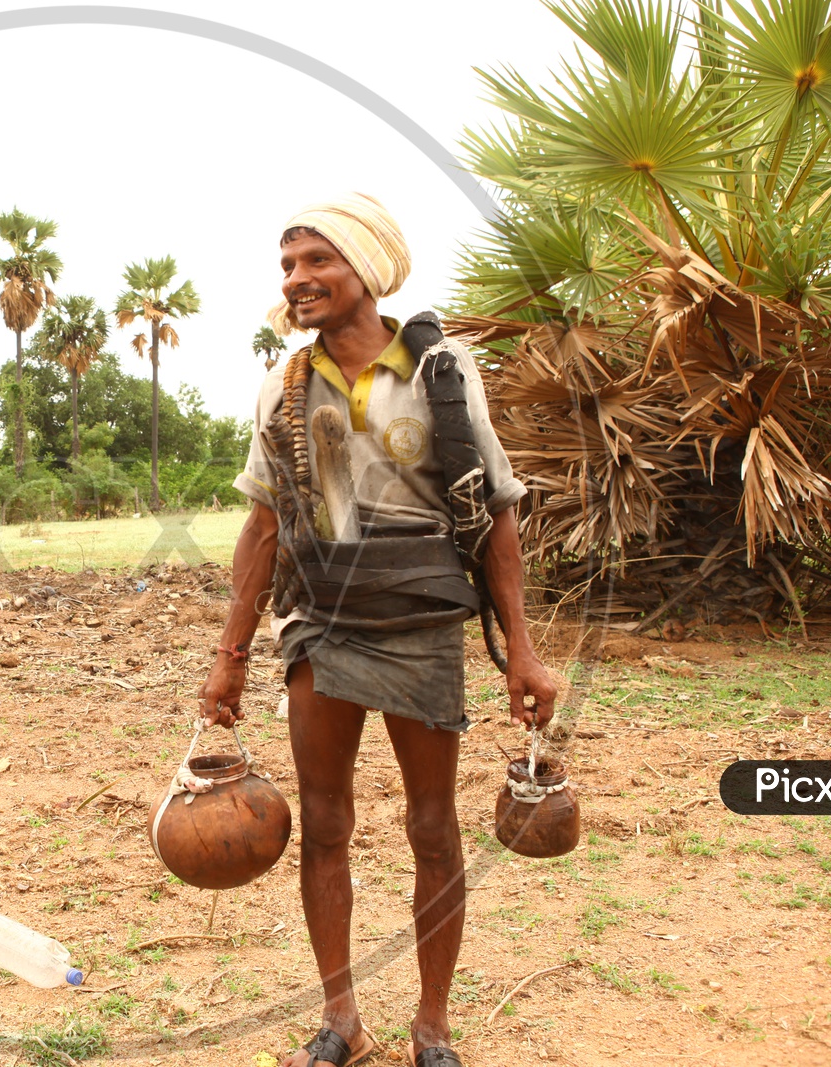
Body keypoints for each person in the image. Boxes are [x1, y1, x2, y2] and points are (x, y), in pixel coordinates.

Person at [198, 193, 558, 1067]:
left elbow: (498, 513)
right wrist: (230, 655)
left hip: (425, 620)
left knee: (433, 828)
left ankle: (432, 1025)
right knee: (324, 824)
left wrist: (523, 647)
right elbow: (264, 526)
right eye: (288, 266)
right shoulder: (283, 386)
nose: (297, 280)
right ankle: (342, 1020)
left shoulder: (441, 371)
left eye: (315, 261)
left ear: (364, 266)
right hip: (321, 622)